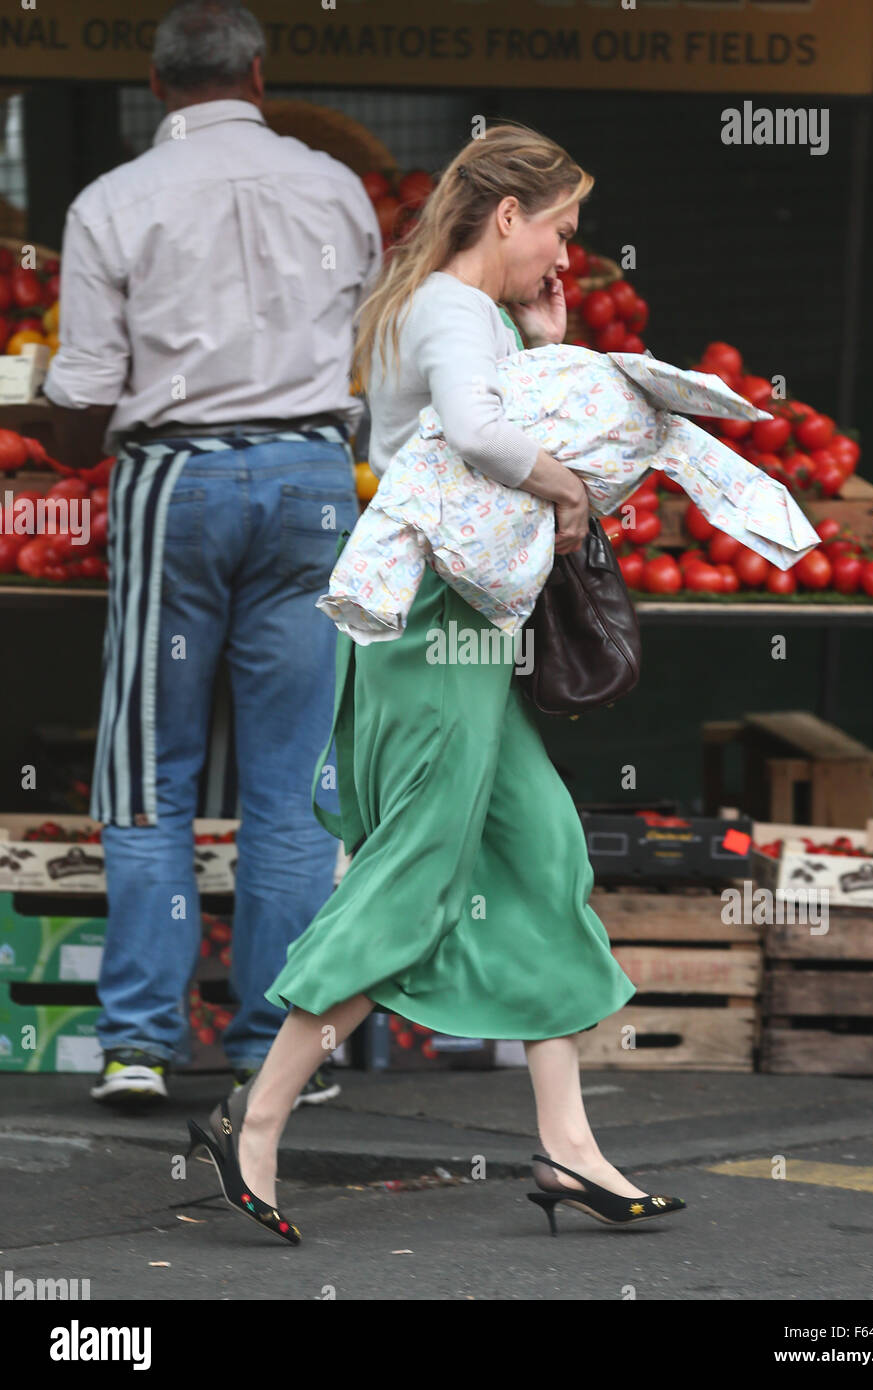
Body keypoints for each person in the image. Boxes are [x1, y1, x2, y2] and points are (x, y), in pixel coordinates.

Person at [186, 124, 687, 1239]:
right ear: (505, 214)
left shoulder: (472, 313)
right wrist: (566, 494)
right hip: (431, 636)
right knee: (413, 872)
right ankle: (253, 1121)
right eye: (558, 229)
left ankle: (565, 1146)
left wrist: (545, 343)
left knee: (543, 850)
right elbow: (472, 430)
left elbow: (473, 419)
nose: (566, 254)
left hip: (455, 630)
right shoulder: (452, 312)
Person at [43, 0, 381, 1106]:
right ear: (259, 75)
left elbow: (85, 395)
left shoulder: (112, 202)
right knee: (293, 786)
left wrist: (65, 430)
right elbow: (366, 352)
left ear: (155, 83)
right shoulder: (334, 188)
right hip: (315, 483)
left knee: (151, 773)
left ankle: (139, 1045)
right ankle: (269, 1049)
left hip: (177, 484)